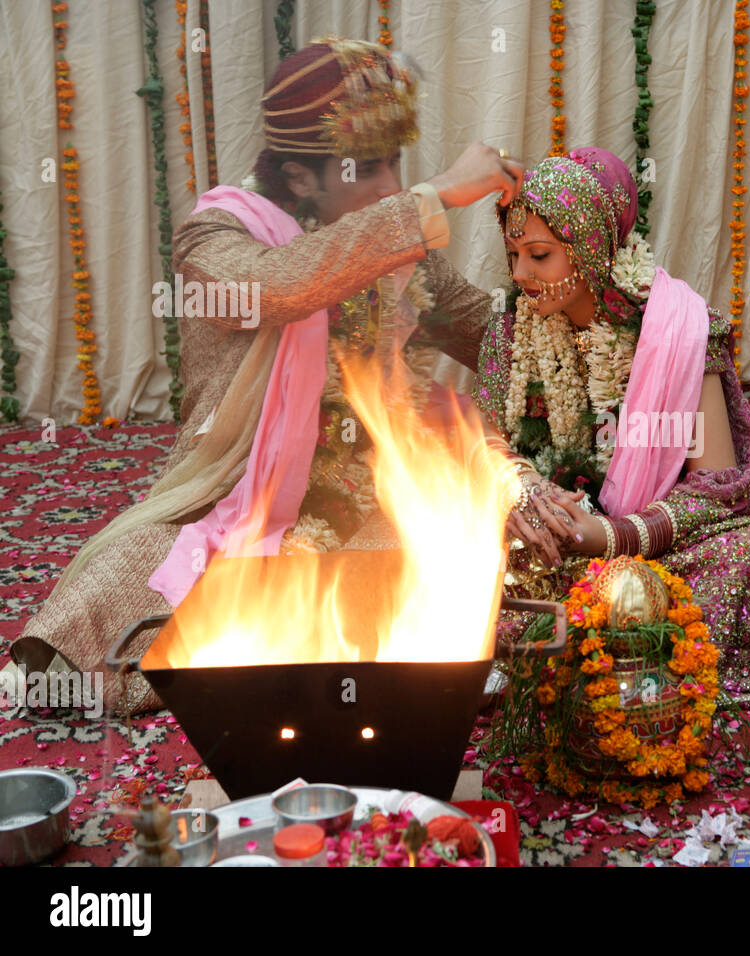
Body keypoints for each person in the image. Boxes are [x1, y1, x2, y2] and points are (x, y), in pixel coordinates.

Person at [8, 37, 524, 715]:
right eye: (366, 169)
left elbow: (481, 330)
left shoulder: (392, 246)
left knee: (461, 551)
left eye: (396, 165)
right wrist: (435, 198)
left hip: (365, 493)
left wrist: (580, 304)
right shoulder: (215, 239)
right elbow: (283, 285)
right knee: (100, 613)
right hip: (233, 495)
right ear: (301, 177)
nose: (391, 187)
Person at [474, 148, 750, 702]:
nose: (520, 275)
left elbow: (715, 487)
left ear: (591, 249)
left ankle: (554, 653)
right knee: (445, 533)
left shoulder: (675, 332)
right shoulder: (510, 330)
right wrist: (526, 493)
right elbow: (487, 441)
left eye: (539, 255)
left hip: (657, 546)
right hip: (549, 543)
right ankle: (599, 652)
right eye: (513, 255)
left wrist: (606, 535)